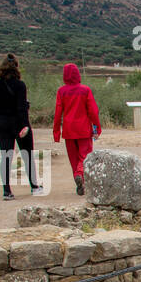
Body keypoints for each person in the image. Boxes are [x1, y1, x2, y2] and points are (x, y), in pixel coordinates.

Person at [0, 54, 39, 200]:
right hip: (18, 124)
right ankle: (34, 186)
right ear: (16, 67)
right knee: (27, 155)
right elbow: (21, 108)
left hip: (2, 123)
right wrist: (25, 125)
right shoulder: (20, 85)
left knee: (5, 156)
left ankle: (7, 191)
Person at [52, 62, 101, 195]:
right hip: (84, 129)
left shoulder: (61, 91)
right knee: (84, 156)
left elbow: (57, 113)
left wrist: (56, 133)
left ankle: (78, 179)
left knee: (73, 159)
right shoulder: (85, 90)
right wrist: (97, 128)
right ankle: (80, 175)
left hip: (68, 130)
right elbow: (93, 111)